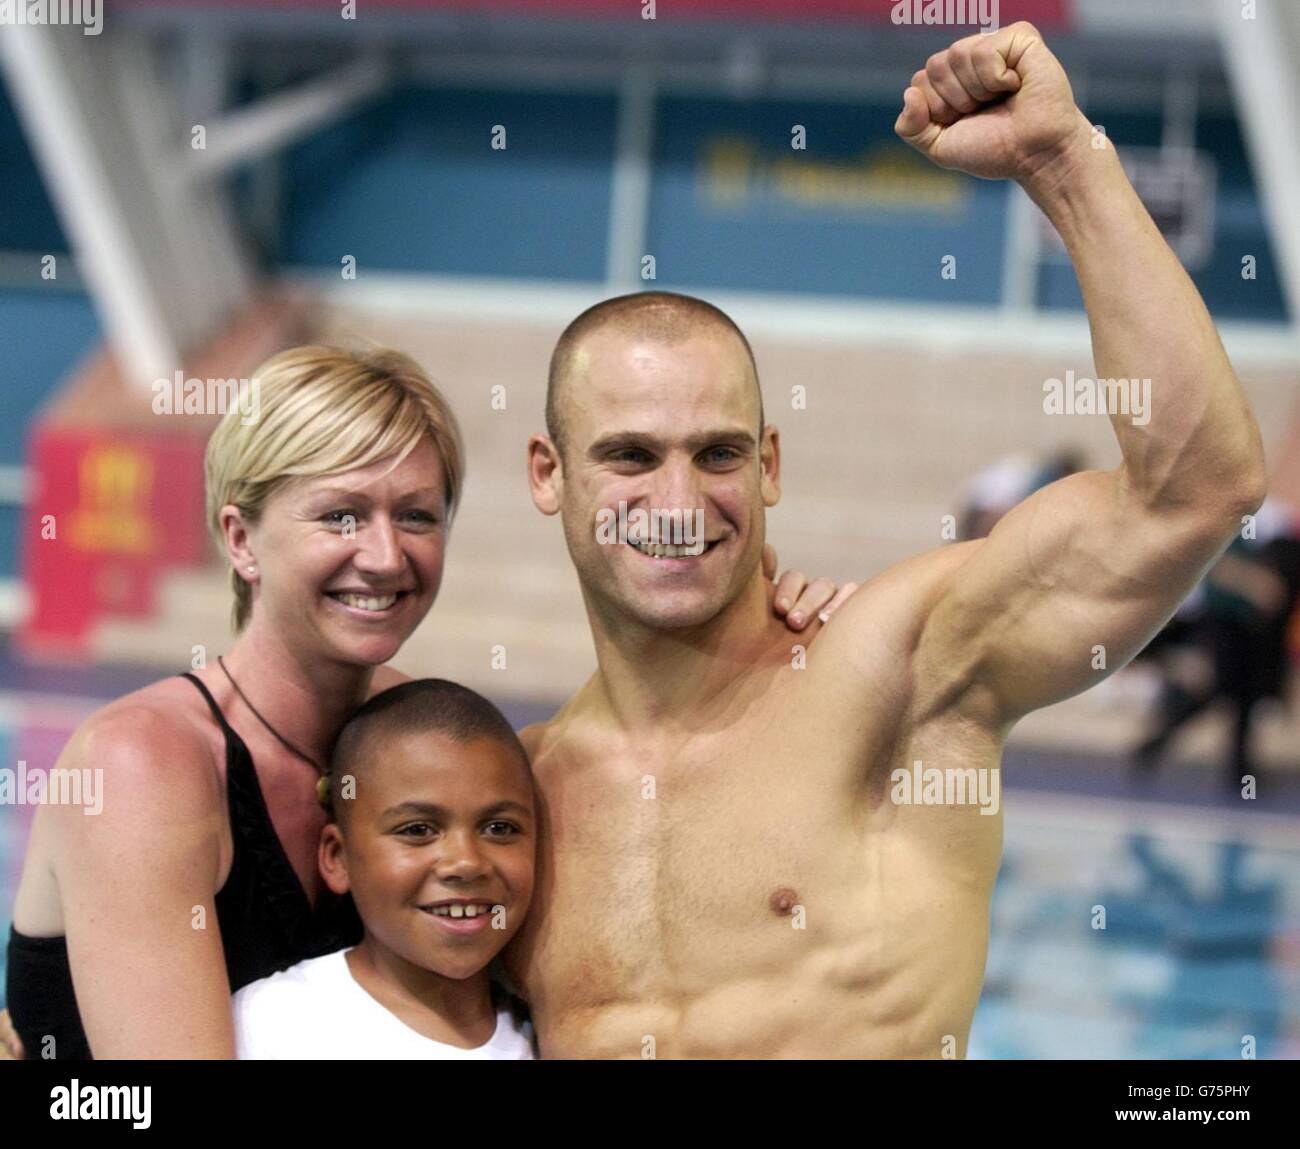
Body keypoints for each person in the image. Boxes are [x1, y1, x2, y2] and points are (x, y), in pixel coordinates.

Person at [500, 22, 1267, 1058]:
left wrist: (1062, 164)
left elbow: (1193, 493)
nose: (678, 499)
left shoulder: (899, 673)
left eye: (719, 454)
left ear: (770, 465)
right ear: (549, 474)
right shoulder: (512, 801)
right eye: (630, 456)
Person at [0, 344, 844, 1060]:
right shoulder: (144, 766)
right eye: (339, 515)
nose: (384, 555)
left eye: (416, 515)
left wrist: (765, 637)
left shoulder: (413, 735)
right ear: (239, 538)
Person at [233, 679, 536, 1060]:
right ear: (337, 858)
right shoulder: (272, 1024)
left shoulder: (555, 1034)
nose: (466, 863)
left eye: (500, 828)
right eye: (417, 830)